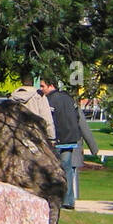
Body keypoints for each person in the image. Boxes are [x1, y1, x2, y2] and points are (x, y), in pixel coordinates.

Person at [40, 77, 82, 210]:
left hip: (58, 139)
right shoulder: (68, 98)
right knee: (67, 169)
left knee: (53, 170)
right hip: (70, 139)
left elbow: (48, 121)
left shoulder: (49, 100)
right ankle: (68, 200)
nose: (41, 89)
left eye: (43, 86)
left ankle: (53, 198)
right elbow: (77, 116)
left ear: (50, 85)